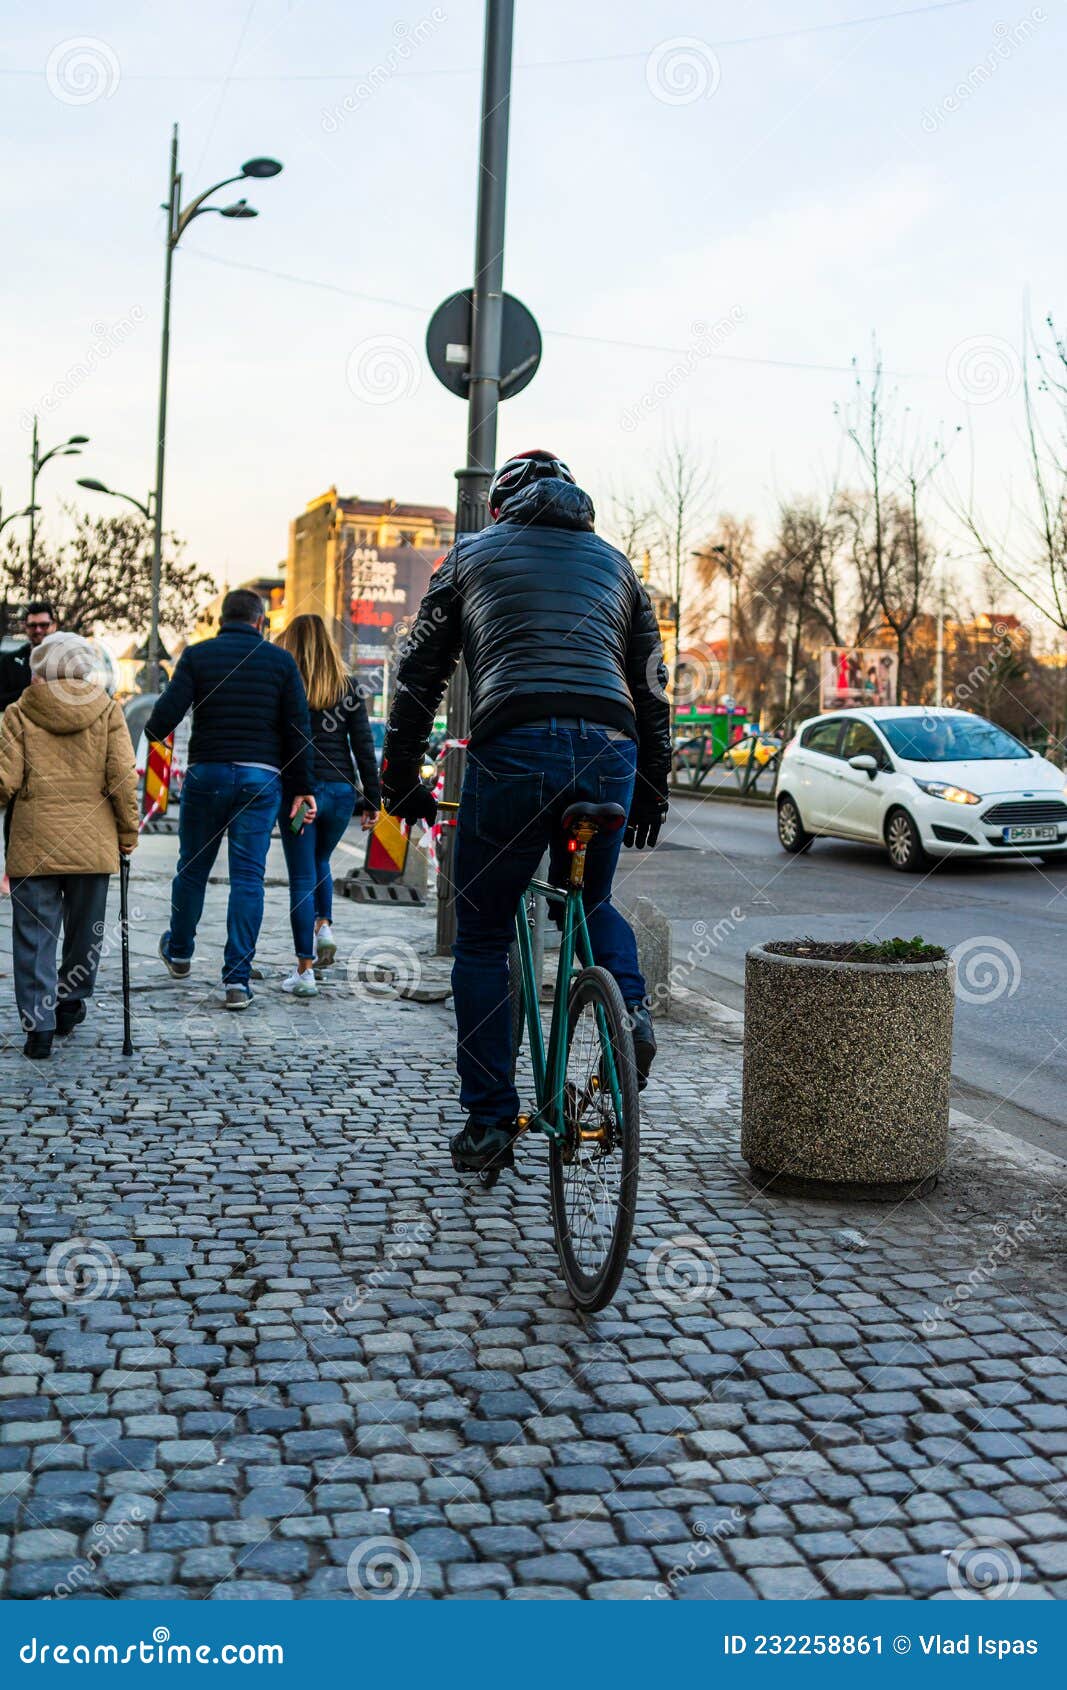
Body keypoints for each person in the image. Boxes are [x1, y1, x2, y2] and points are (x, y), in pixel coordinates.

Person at [382, 448, 672, 1173]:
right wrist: (653, 788)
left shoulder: (470, 555)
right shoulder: (619, 566)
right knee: (595, 899)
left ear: (498, 507)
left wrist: (399, 781)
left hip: (513, 744)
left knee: (481, 935)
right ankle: (629, 1013)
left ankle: (488, 1122)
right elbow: (653, 689)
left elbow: (419, 674)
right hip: (611, 747)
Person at [143, 587, 317, 1010]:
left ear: (222, 620)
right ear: (261, 622)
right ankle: (236, 981)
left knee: (192, 869)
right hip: (261, 781)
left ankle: (180, 950)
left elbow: (161, 721)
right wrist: (301, 789)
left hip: (208, 775)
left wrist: (155, 732)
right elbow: (298, 731)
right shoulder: (280, 661)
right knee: (247, 878)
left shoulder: (197, 656)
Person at [0, 632, 138, 1059]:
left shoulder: (17, 713)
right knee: (86, 932)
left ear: (40, 668)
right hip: (92, 843)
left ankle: (38, 1029)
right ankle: (71, 1000)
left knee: (34, 937)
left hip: (33, 842)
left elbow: (4, 782)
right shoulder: (108, 711)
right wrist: (128, 833)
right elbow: (123, 779)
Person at [273, 614, 381, 996]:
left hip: (301, 792)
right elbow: (363, 745)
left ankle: (304, 971)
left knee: (301, 877)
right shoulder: (348, 686)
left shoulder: (286, 684)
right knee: (320, 860)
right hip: (340, 791)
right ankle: (324, 926)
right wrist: (372, 798)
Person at [0, 600, 58, 714]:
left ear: (54, 626)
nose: (38, 630)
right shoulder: (8, 662)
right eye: (32, 625)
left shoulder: (66, 661)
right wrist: (29, 691)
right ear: (25, 627)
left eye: (43, 625)